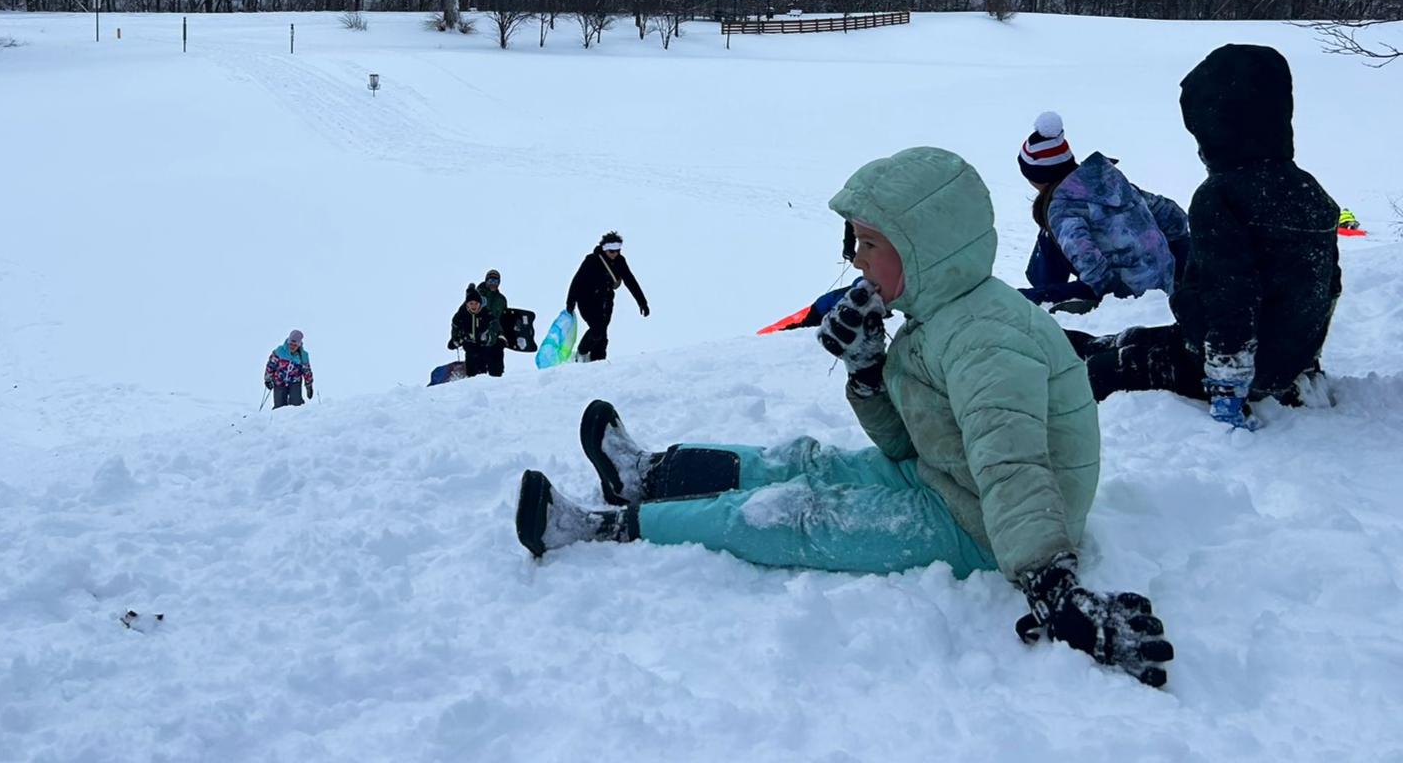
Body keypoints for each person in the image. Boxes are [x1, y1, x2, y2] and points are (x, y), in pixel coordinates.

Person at [514, 147, 1173, 687]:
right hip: (947, 477)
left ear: (925, 247)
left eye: (868, 243)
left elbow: (1012, 461)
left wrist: (1051, 584)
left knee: (791, 514)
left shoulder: (985, 338)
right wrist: (867, 368)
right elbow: (907, 440)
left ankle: (603, 528)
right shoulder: (937, 313)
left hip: (986, 526)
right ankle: (649, 473)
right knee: (807, 462)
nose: (855, 258)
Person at [1080, 45, 1340, 428]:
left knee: (1095, 371)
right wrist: (1302, 359)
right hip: (1284, 361)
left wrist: (1227, 388)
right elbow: (1322, 287)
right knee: (1128, 338)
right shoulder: (1309, 191)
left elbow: (1231, 298)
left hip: (1231, 367)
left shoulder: (1221, 196)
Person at [1015, 111, 1191, 313]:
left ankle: (1049, 302)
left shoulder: (1063, 208)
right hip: (1164, 280)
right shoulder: (1113, 182)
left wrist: (1115, 298)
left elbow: (1091, 265)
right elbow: (1173, 215)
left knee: (1020, 299)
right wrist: (1165, 261)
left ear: (1038, 177)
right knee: (1049, 237)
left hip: (1131, 295)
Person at [564, 231, 649, 362]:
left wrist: (642, 302)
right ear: (605, 249)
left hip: (606, 300)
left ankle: (598, 362)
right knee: (597, 329)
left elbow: (630, 281)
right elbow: (577, 281)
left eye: (617, 250)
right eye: (612, 251)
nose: (615, 254)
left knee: (603, 334)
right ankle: (581, 353)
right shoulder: (591, 260)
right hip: (587, 300)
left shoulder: (620, 261)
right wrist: (570, 303)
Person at [451, 285, 506, 378]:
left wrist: (489, 338)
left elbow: (495, 327)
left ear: (480, 304)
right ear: (467, 304)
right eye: (471, 304)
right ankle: (472, 381)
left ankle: (495, 379)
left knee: (492, 355)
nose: (473, 306)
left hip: (484, 345)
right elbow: (455, 326)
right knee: (472, 367)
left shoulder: (486, 313)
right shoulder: (461, 314)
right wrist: (456, 339)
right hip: (470, 345)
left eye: (476, 304)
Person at [263, 329, 315, 408]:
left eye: (295, 345)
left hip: (295, 382)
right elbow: (270, 365)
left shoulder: (303, 356)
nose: (292, 347)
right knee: (279, 405)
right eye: (291, 344)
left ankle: (297, 418)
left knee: (296, 404)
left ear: (299, 345)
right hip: (279, 381)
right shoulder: (280, 351)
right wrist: (268, 379)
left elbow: (307, 371)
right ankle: (278, 418)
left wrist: (309, 386)